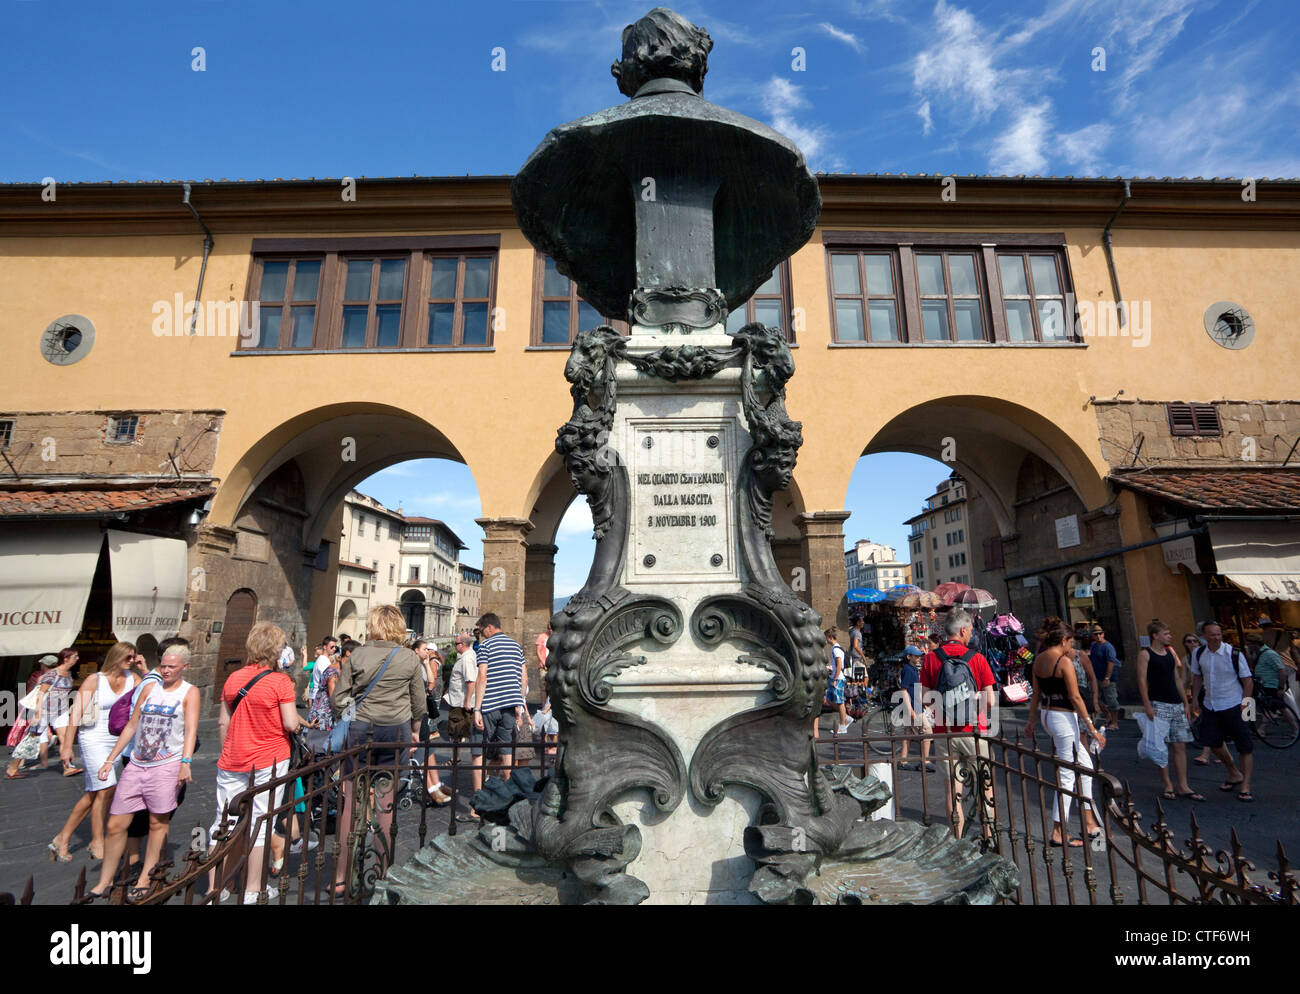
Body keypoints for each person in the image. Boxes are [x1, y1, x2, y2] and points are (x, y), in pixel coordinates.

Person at [85, 643, 199, 901]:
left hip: (166, 764)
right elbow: (131, 725)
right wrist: (110, 759)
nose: (166, 671)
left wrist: (186, 761)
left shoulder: (189, 692)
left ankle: (146, 876)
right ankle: (105, 880)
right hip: (137, 763)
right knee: (115, 824)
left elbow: (191, 729)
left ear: (184, 667)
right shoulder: (149, 687)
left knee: (157, 822)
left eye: (172, 667)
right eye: (164, 666)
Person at [207, 622, 311, 903]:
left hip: (232, 760)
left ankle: (217, 886)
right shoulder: (279, 682)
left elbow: (222, 721)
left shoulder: (234, 678)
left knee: (223, 822)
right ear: (276, 650)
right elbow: (290, 723)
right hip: (269, 759)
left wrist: (229, 749)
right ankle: (253, 887)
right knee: (260, 822)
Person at [331, 604, 427, 898]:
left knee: (351, 802)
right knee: (386, 802)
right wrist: (413, 729)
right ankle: (383, 872)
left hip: (361, 731)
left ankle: (340, 878)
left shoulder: (357, 654)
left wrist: (355, 715)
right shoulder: (409, 658)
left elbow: (339, 700)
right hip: (395, 733)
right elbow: (419, 703)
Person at [49, 642, 140, 862]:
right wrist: (67, 746)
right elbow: (75, 714)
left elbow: (152, 686)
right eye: (128, 658)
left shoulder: (134, 679)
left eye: (133, 658)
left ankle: (62, 838)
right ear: (116, 657)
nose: (131, 662)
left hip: (119, 740)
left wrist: (143, 667)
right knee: (107, 787)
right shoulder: (94, 680)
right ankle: (97, 840)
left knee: (94, 792)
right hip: (94, 738)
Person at [1025, 616, 1104, 847]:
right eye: (1070, 641)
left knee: (1086, 767)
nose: (1072, 646)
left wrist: (1031, 721)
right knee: (1068, 774)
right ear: (1063, 639)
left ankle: (1089, 822)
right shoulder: (1063, 662)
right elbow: (1075, 697)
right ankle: (1059, 831)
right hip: (1063, 718)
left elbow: (1036, 694)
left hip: (1048, 715)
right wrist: (1091, 728)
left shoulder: (1039, 659)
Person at [920, 609, 998, 839]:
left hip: (945, 734)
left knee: (953, 790)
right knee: (985, 788)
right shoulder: (977, 659)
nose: (971, 634)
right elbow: (991, 700)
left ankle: (957, 840)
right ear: (963, 630)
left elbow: (925, 699)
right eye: (971, 630)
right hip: (975, 731)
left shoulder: (931, 659)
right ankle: (989, 837)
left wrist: (943, 713)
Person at [1135, 620, 1202, 802]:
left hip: (1176, 703)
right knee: (1161, 746)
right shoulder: (1145, 654)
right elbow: (1141, 680)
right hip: (1158, 703)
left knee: (1180, 745)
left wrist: (1185, 701)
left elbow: (1177, 679)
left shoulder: (1170, 653)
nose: (1169, 636)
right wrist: (1147, 704)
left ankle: (1183, 785)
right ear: (1155, 636)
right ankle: (1167, 784)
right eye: (1166, 633)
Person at [1189, 622, 1255, 801]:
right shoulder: (1199, 653)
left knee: (1245, 745)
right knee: (1212, 742)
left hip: (1234, 703)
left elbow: (1248, 681)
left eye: (1219, 634)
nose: (1217, 638)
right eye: (1212, 635)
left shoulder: (1233, 653)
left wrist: (1246, 705)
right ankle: (1234, 773)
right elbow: (1197, 676)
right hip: (1211, 705)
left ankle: (1246, 786)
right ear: (1204, 636)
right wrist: (1194, 699)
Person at [472, 613, 527, 793]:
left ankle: (477, 803)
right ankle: (509, 793)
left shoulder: (486, 645)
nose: (482, 634)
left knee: (478, 748)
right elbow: (523, 678)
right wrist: (519, 702)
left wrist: (477, 709)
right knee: (507, 750)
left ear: (489, 627)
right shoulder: (516, 646)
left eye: (482, 630)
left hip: (489, 704)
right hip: (510, 705)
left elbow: (482, 676)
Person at [411, 639, 451, 803]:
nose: (427, 651)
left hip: (423, 711)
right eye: (424, 649)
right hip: (416, 711)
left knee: (429, 747)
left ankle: (437, 783)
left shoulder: (423, 664)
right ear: (415, 651)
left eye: (428, 649)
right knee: (421, 748)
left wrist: (427, 663)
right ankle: (432, 787)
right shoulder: (412, 666)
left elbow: (431, 681)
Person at [40, 649, 82, 777]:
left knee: (65, 738)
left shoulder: (68, 673)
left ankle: (67, 767)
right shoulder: (52, 674)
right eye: (75, 656)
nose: (78, 658)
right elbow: (40, 694)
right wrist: (37, 714)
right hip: (45, 710)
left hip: (61, 711)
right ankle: (14, 767)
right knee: (30, 739)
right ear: (66, 659)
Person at [896, 644, 934, 772]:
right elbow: (904, 690)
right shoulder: (908, 669)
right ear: (908, 657)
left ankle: (903, 761)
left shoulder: (911, 669)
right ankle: (925, 760)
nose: (919, 657)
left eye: (919, 655)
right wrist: (910, 709)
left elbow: (914, 689)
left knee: (908, 733)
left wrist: (922, 704)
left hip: (915, 705)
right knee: (927, 731)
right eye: (916, 656)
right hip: (913, 707)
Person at [444, 632, 478, 747]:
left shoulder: (466, 659)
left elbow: (470, 681)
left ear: (462, 644)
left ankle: (455, 759)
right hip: (459, 699)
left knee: (456, 731)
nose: (454, 645)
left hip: (460, 702)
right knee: (458, 732)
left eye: (456, 643)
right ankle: (456, 758)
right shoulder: (469, 655)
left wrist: (467, 701)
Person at [1089, 625, 1121, 730]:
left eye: (1100, 633)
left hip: (1108, 677)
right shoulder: (1093, 645)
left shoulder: (1108, 647)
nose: (1098, 636)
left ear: (1103, 634)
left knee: (1111, 700)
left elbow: (1111, 662)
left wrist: (1107, 678)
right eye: (1095, 634)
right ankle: (1108, 716)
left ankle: (1115, 723)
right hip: (1097, 677)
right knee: (1096, 699)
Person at [823, 628, 851, 735]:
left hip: (837, 678)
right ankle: (846, 717)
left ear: (830, 637)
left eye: (826, 638)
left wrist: (834, 678)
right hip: (835, 676)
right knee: (829, 700)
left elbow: (839, 664)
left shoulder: (836, 649)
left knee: (840, 702)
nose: (826, 640)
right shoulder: (835, 648)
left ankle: (843, 726)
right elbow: (837, 665)